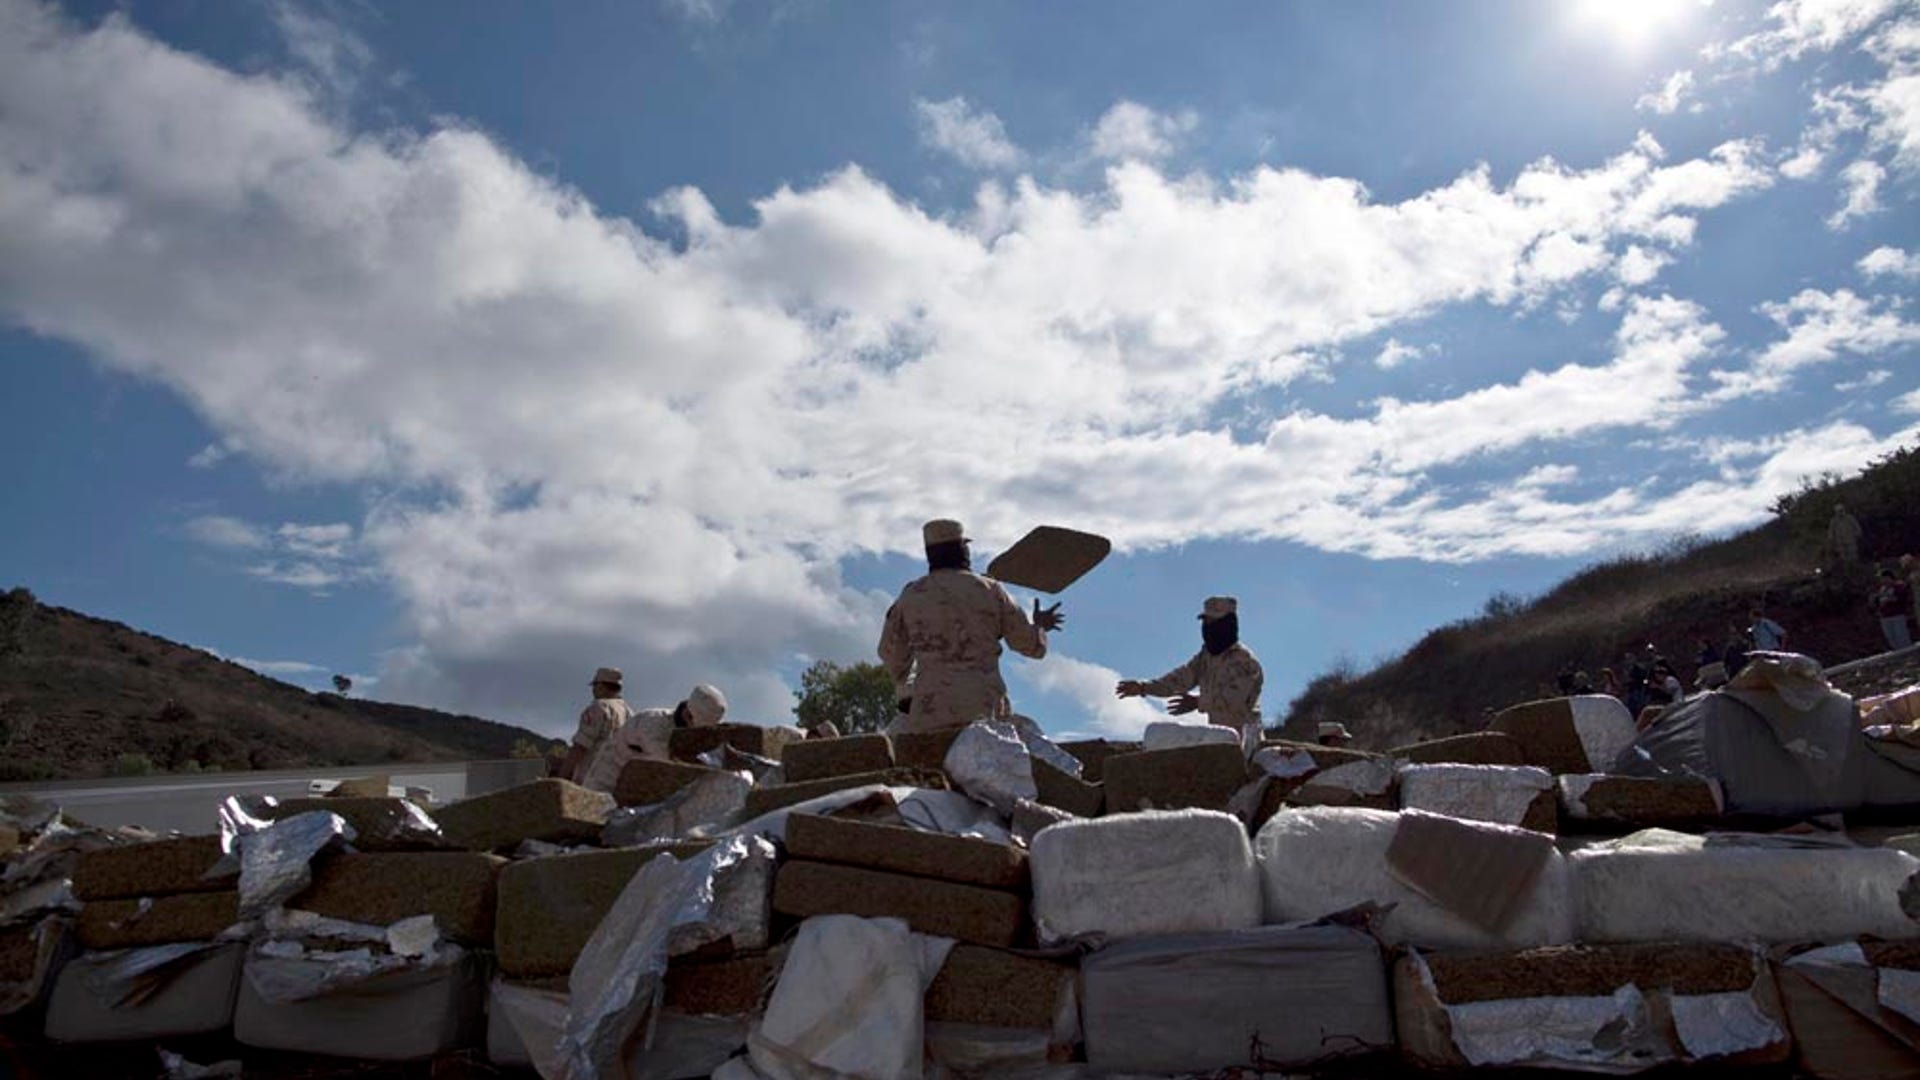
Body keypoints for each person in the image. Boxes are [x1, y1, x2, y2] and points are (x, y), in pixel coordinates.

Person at [879, 518, 1061, 733]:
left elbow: (891, 656)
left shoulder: (910, 595)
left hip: (931, 713)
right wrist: (1040, 627)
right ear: (961, 549)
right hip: (985, 710)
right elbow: (1030, 646)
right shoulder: (991, 589)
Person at [1115, 596, 1266, 746]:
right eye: (1206, 622)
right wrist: (1143, 687)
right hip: (1220, 739)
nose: (1208, 627)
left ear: (1228, 624)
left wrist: (1197, 702)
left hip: (1247, 740)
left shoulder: (1245, 662)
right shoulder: (1205, 658)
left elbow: (1234, 700)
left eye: (1213, 622)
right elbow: (1179, 679)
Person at [578, 683, 728, 793]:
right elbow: (671, 764)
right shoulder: (654, 726)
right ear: (688, 716)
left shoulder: (685, 732)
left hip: (633, 786)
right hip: (606, 782)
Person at [560, 667, 634, 786]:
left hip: (590, 780)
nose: (593, 690)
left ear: (601, 686)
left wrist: (561, 778)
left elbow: (580, 747)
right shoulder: (628, 712)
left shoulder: (598, 708)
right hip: (614, 781)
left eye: (594, 685)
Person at [1871, 568, 1915, 651]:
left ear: (1889, 577)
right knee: (1891, 638)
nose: (1882, 580)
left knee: (1901, 636)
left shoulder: (1899, 586)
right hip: (1885, 617)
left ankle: (1909, 653)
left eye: (1883, 578)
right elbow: (1877, 602)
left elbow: (1901, 598)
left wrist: (1889, 599)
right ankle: (1899, 654)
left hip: (1897, 615)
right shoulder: (1882, 589)